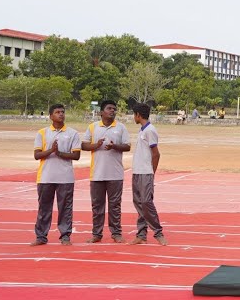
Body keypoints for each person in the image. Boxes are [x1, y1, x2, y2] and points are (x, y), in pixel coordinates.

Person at [29, 103, 81, 246]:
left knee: (65, 208)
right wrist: (51, 151)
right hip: (46, 177)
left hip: (65, 177)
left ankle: (65, 236)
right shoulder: (42, 133)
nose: (61, 114)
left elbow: (76, 155)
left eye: (62, 112)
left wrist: (60, 153)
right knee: (44, 208)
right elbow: (37, 155)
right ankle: (41, 236)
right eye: (57, 112)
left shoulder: (73, 133)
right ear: (51, 116)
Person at [81, 99, 130, 244]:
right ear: (101, 112)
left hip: (115, 174)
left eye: (114, 109)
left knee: (115, 205)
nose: (112, 111)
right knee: (97, 206)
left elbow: (127, 146)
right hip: (97, 174)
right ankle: (97, 234)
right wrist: (96, 145)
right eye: (109, 108)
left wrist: (115, 146)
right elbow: (83, 145)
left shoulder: (121, 127)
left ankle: (116, 233)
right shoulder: (93, 127)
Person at [129, 103, 167, 246]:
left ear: (138, 115)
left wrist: (152, 173)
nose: (133, 117)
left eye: (134, 115)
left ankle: (158, 232)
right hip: (137, 171)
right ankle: (141, 234)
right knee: (139, 203)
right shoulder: (142, 130)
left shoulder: (150, 131)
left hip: (146, 172)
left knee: (146, 202)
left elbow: (156, 154)